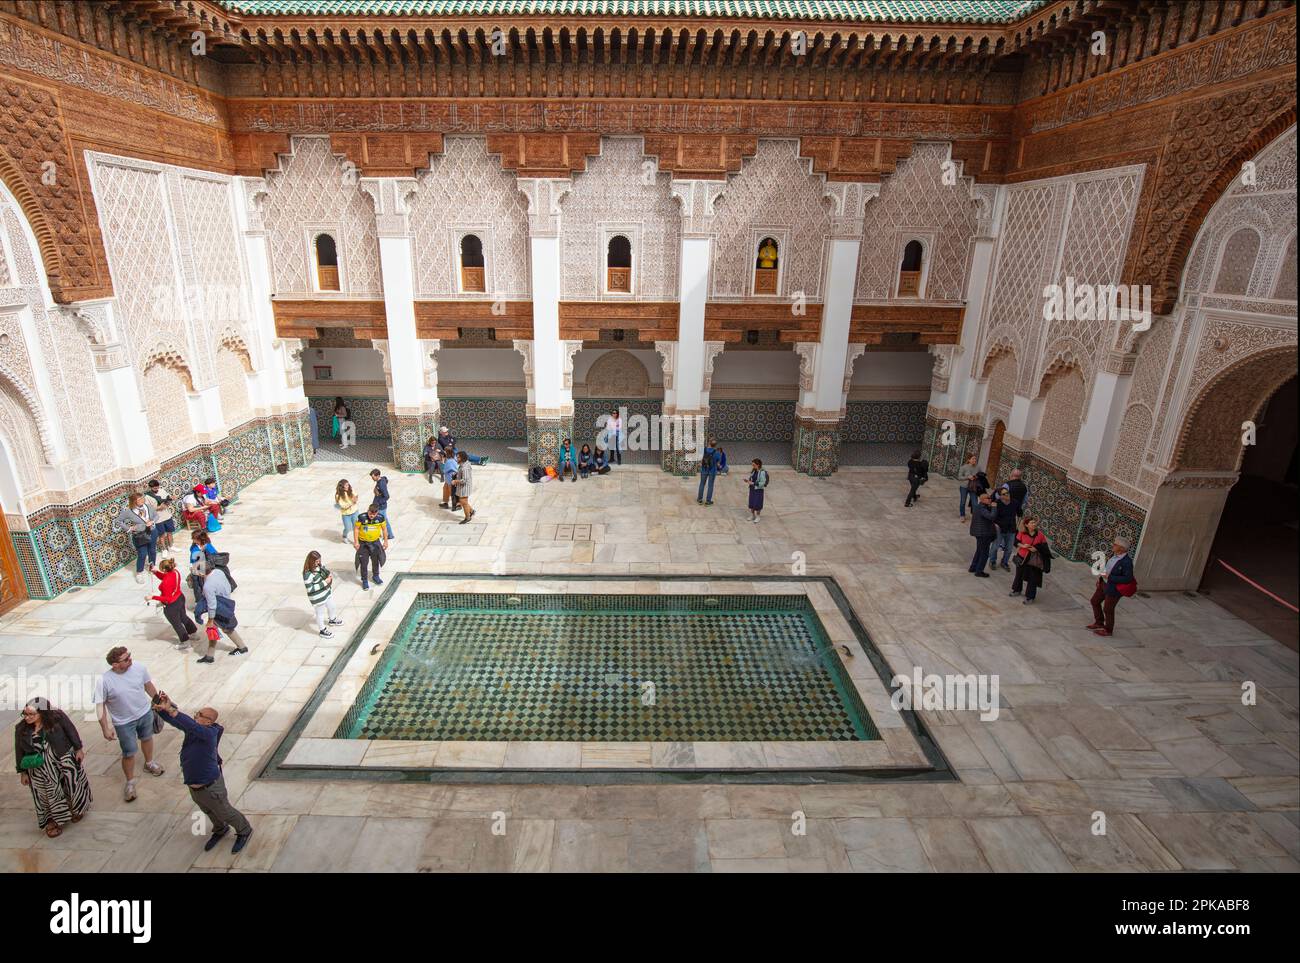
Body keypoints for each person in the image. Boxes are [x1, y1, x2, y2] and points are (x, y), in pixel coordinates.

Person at [153, 693, 253, 854]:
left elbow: (190, 725)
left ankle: (244, 829)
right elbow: (178, 722)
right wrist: (161, 708)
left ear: (208, 721)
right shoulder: (195, 731)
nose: (195, 716)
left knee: (225, 811)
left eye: (199, 715)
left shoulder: (208, 734)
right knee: (208, 810)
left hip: (211, 787)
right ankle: (220, 829)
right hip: (195, 785)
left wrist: (172, 709)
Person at [94, 646, 163, 803]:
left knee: (147, 738)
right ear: (115, 664)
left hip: (145, 712)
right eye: (126, 659)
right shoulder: (104, 681)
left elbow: (148, 685)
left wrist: (159, 702)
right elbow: (100, 706)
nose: (130, 660)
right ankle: (130, 782)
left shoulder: (139, 668)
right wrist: (105, 728)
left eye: (129, 656)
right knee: (129, 752)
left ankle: (149, 763)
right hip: (124, 722)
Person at [15, 698, 91, 838]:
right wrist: (22, 772)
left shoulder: (57, 717)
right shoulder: (21, 729)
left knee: (71, 785)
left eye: (32, 714)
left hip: (62, 759)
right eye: (25, 714)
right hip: (39, 769)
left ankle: (77, 808)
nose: (27, 717)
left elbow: (71, 731)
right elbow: (19, 751)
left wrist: (78, 748)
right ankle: (51, 821)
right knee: (45, 794)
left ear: (42, 713)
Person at [192, 557, 248, 664]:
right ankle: (210, 656)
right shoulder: (218, 572)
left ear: (201, 573)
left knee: (226, 629)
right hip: (226, 600)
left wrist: (210, 620)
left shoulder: (208, 586)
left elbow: (212, 605)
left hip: (218, 608)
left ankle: (242, 647)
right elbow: (227, 584)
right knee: (214, 630)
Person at [1089, 537, 1135, 637]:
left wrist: (1110, 577)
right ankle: (1099, 622)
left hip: (1114, 589)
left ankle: (1108, 630)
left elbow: (1127, 579)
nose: (1112, 546)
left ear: (1121, 549)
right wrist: (1100, 580)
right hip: (1104, 584)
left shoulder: (1126, 562)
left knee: (1108, 609)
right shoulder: (1113, 555)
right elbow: (1107, 568)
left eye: (1115, 545)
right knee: (1094, 601)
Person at [151, 557, 197, 646]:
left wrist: (152, 597)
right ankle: (193, 633)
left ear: (164, 569)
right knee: (183, 617)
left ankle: (185, 641)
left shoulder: (165, 583)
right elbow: (166, 576)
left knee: (176, 623)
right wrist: (156, 572)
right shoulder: (175, 572)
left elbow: (167, 598)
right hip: (180, 598)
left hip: (172, 605)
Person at [114, 492, 157, 584]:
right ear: (134, 501)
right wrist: (129, 529)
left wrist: (152, 521)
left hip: (152, 531)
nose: (142, 500)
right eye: (139, 499)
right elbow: (118, 521)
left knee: (152, 551)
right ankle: (139, 573)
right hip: (140, 534)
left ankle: (152, 567)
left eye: (143, 498)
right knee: (142, 554)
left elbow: (156, 515)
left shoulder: (148, 507)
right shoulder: (129, 512)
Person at [1008, 515, 1051, 604]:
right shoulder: (1022, 533)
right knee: (1019, 575)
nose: (1034, 524)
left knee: (1033, 578)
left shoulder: (1040, 535)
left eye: (1034, 522)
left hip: (1033, 560)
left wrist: (1036, 548)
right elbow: (1016, 542)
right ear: (1026, 525)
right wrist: (1023, 546)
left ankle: (1030, 597)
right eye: (1031, 523)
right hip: (1021, 558)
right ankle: (1017, 590)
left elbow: (1045, 547)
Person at [303, 551, 344, 638]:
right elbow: (310, 589)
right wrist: (325, 582)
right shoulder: (307, 574)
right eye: (317, 561)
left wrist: (328, 575)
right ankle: (322, 630)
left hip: (326, 593)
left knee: (332, 606)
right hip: (318, 597)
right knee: (320, 614)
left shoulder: (319, 567)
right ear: (311, 561)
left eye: (319, 560)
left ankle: (332, 619)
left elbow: (324, 573)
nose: (319, 562)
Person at [353, 503, 389, 590]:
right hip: (363, 544)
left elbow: (384, 529)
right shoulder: (361, 517)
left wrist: (386, 541)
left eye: (374, 514)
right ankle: (364, 580)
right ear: (368, 511)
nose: (372, 516)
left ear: (377, 513)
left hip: (375, 543)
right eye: (370, 513)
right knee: (364, 563)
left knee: (376, 561)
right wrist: (356, 542)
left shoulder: (380, 518)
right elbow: (356, 529)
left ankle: (375, 576)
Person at [967, 491, 997, 577]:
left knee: (979, 550)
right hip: (984, 533)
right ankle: (979, 571)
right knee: (984, 553)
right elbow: (991, 517)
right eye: (988, 498)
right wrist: (994, 508)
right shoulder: (982, 508)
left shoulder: (978, 506)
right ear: (983, 500)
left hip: (979, 533)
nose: (990, 499)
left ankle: (973, 567)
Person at [988, 487, 1018, 571]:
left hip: (1011, 528)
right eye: (1004, 494)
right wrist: (995, 524)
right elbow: (993, 516)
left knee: (1009, 548)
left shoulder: (1015, 502)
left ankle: (1004, 562)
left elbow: (1019, 513)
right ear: (1000, 496)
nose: (1007, 494)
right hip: (1000, 529)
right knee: (995, 546)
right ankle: (992, 561)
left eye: (1007, 492)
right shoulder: (997, 503)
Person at [144, 479, 176, 555]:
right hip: (158, 519)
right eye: (155, 488)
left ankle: (171, 546)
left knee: (169, 532)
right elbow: (148, 509)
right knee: (161, 535)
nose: (157, 489)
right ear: (150, 487)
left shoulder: (162, 490)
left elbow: (168, 498)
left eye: (157, 487)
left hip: (167, 515)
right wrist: (159, 508)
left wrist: (171, 499)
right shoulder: (147, 497)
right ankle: (164, 549)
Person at [369, 468, 394, 540]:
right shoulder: (382, 479)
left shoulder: (381, 484)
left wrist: (378, 503)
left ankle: (388, 535)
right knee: (382, 520)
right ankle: (389, 534)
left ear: (378, 476)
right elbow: (385, 478)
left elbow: (387, 496)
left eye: (373, 477)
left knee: (381, 521)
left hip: (380, 506)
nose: (372, 479)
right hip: (378, 505)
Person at [698, 438, 723, 505]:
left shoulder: (703, 450)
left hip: (704, 469)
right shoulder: (717, 453)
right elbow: (718, 463)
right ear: (715, 445)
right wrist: (719, 466)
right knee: (710, 485)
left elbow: (700, 459)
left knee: (702, 484)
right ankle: (708, 501)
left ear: (709, 443)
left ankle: (700, 499)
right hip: (712, 471)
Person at [454, 451, 476, 524]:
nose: (457, 458)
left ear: (462, 458)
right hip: (463, 487)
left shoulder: (465, 468)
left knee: (464, 502)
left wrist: (456, 481)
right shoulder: (464, 464)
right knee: (463, 501)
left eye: (458, 457)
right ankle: (472, 511)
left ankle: (468, 517)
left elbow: (464, 480)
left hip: (464, 488)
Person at [335, 479, 359, 543]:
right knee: (348, 527)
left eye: (348, 484)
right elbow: (343, 506)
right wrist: (352, 502)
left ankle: (356, 540)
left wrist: (356, 498)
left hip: (355, 511)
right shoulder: (338, 495)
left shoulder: (351, 490)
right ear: (342, 486)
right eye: (346, 485)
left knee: (356, 527)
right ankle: (344, 536)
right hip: (346, 514)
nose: (348, 486)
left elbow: (356, 495)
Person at [957, 455, 979, 520]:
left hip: (973, 487)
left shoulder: (977, 468)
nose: (974, 460)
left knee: (975, 503)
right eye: (973, 459)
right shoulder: (963, 467)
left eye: (975, 459)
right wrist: (967, 477)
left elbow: (980, 475)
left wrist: (977, 477)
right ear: (969, 460)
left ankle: (975, 516)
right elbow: (959, 477)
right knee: (963, 502)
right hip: (964, 487)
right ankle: (962, 515)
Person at [747, 458, 768, 523]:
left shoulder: (762, 472)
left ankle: (758, 516)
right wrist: (749, 481)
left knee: (758, 503)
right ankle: (752, 515)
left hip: (758, 490)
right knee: (752, 502)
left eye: (754, 465)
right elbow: (752, 478)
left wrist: (753, 483)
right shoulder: (754, 471)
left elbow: (762, 482)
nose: (753, 466)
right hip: (752, 489)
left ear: (758, 465)